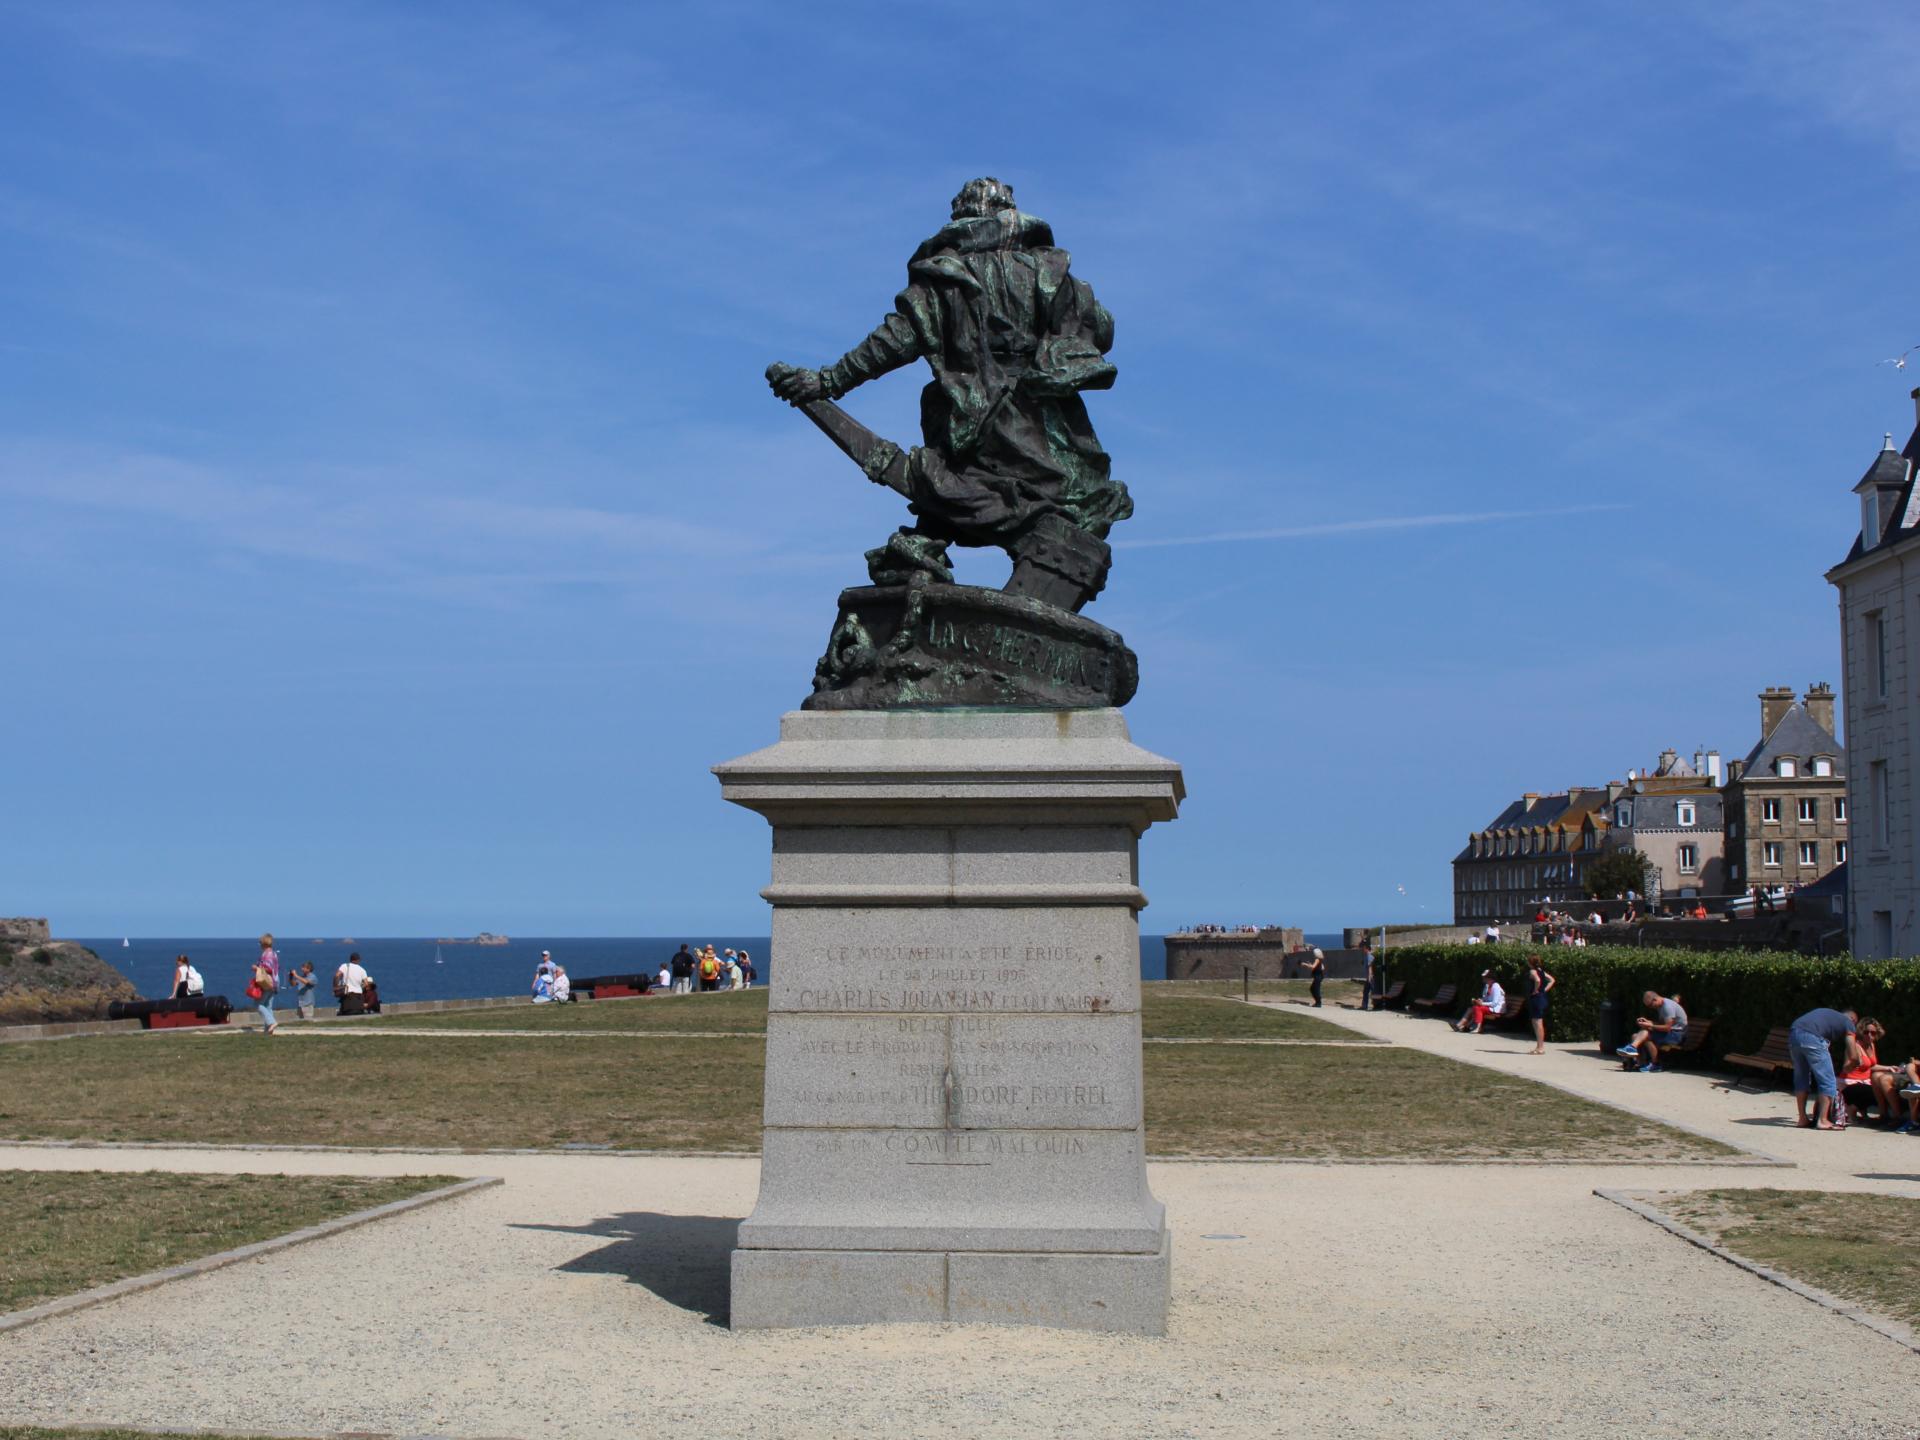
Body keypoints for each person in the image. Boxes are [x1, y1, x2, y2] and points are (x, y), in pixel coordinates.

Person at [767, 176, 1129, 614]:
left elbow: (894, 341)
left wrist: (827, 382)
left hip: (973, 409)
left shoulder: (948, 275)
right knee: (1050, 496)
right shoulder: (1050, 273)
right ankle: (924, 547)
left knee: (956, 483)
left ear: (963, 216)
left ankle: (925, 546)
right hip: (1043, 414)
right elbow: (1098, 327)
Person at [1789, 1006, 1863, 1130]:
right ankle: (1823, 1120)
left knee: (1801, 1078)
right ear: (1852, 1018)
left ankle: (1802, 1118)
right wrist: (1851, 1066)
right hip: (1813, 1038)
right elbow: (1853, 1055)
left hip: (1794, 1034)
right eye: (1855, 1022)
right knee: (1828, 1080)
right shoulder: (1848, 1023)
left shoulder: (1827, 1014)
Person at [1615, 990, 1687, 1072]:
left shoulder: (1668, 1007)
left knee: (1646, 1035)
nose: (1651, 1008)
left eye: (1650, 1005)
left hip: (1677, 1035)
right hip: (1671, 1033)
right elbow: (1662, 1024)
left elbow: (1667, 1027)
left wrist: (1650, 1025)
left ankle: (1655, 1064)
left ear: (1655, 999)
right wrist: (1648, 1022)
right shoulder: (1661, 1006)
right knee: (1635, 1036)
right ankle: (1641, 1064)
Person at [1837, 1019, 1886, 1128]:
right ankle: (1851, 1111)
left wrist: (1889, 1068)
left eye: (1872, 1033)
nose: (1869, 1035)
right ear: (1861, 1032)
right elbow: (1846, 1068)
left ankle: (1872, 1115)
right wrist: (1853, 1063)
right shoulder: (1855, 1046)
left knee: (1882, 1088)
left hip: (1864, 1082)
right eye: (1866, 1032)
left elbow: (1872, 1066)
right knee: (1873, 1091)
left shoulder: (1871, 1045)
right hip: (1849, 1083)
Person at [1524, 954, 1555, 1055]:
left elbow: (1537, 980)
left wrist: (1536, 990)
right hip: (1542, 998)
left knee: (1538, 1023)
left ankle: (1540, 1047)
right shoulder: (1541, 970)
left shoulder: (1532, 971)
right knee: (1537, 1022)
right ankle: (1539, 1046)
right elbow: (1552, 980)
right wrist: (1543, 990)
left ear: (1530, 962)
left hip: (1536, 999)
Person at [250, 934, 280, 1035]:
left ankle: (272, 1022)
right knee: (268, 1005)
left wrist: (256, 968)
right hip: (274, 981)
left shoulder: (267, 954)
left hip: (267, 981)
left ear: (263, 943)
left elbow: (268, 969)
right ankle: (268, 1029)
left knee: (258, 1004)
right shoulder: (274, 953)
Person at [334, 951, 370, 1016]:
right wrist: (359, 987)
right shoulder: (362, 970)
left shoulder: (345, 966)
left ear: (350, 959)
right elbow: (366, 984)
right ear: (358, 960)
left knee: (345, 1014)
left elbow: (337, 975)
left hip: (348, 996)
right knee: (358, 1015)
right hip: (359, 997)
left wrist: (336, 987)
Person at [1359, 940, 1375, 1011]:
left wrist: (1369, 977)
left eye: (1363, 948)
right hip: (1368, 977)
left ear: (1367, 948)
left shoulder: (1369, 956)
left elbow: (1370, 967)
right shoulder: (1366, 956)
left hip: (1370, 977)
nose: (1362, 949)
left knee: (1373, 991)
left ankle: (1375, 1005)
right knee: (1366, 991)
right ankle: (1364, 1006)